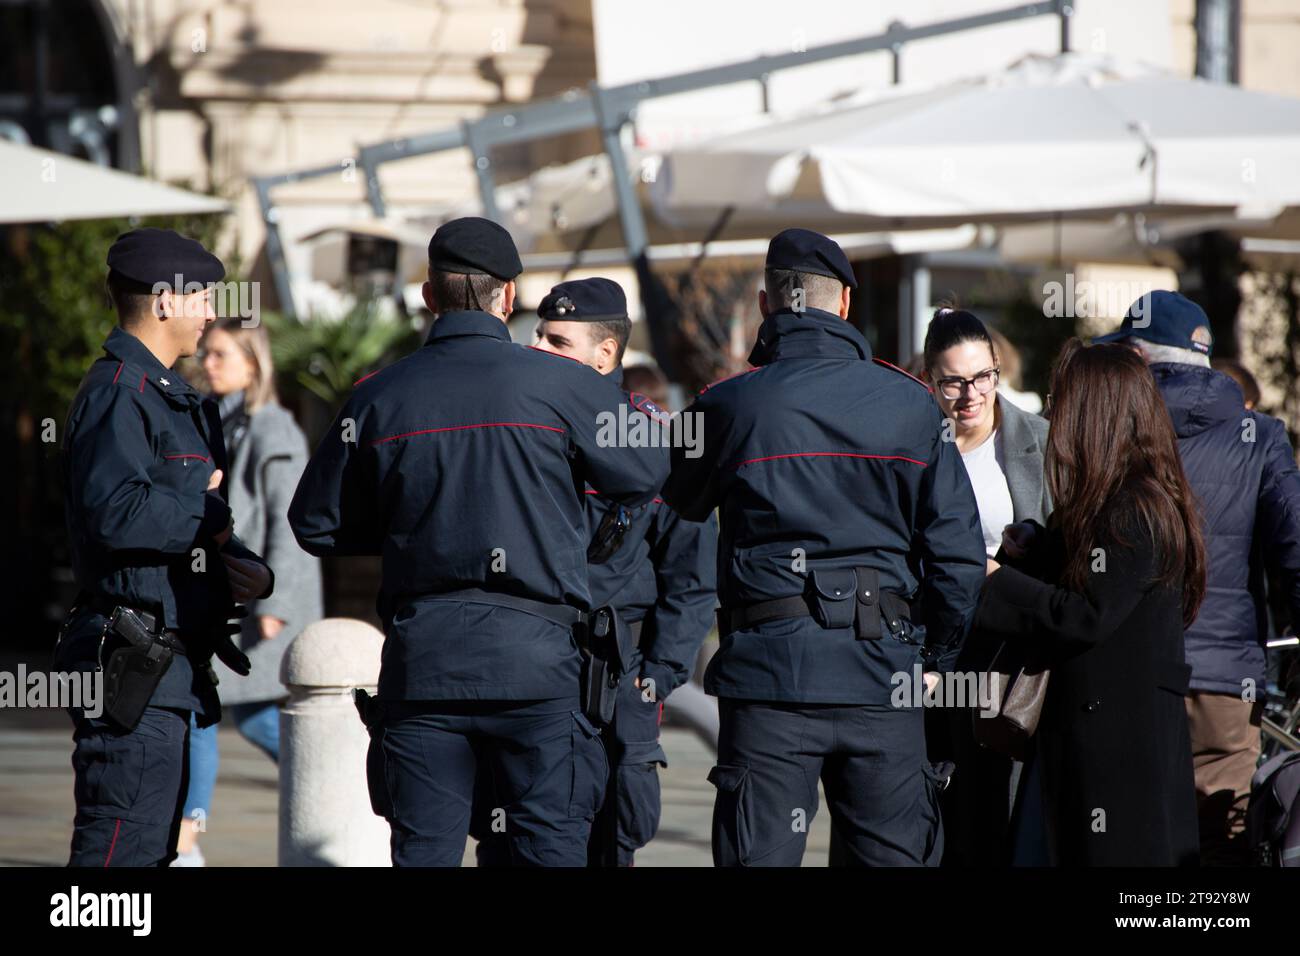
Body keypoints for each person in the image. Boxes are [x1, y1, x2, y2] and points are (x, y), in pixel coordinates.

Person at [288, 218, 670, 867]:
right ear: (509, 296)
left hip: (426, 661)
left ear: (430, 296)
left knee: (426, 853)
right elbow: (645, 471)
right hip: (537, 666)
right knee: (548, 851)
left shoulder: (378, 397)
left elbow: (316, 524)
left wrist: (415, 518)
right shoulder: (560, 384)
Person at [662, 227, 986, 867]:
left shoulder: (727, 407)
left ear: (765, 305)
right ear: (844, 307)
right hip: (882, 678)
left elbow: (671, 510)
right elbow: (958, 560)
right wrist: (934, 659)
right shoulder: (911, 406)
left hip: (769, 683)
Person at [474, 278, 718, 867]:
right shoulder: (516, 433)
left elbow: (691, 575)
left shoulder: (655, 440)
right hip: (523, 661)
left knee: (613, 832)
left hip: (615, 672)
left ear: (604, 355)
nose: (538, 349)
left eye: (557, 341)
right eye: (537, 336)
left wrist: (657, 674)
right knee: (509, 834)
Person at [57, 228, 273, 866]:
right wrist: (199, 506)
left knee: (147, 852)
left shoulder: (165, 396)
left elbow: (186, 522)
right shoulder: (119, 393)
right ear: (162, 303)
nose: (211, 311)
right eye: (202, 296)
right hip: (132, 662)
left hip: (165, 665)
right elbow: (115, 514)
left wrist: (237, 564)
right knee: (118, 853)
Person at [978, 338, 1205, 866]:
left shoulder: (1134, 507)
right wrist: (1036, 546)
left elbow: (1083, 614)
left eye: (1063, 402)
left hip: (1117, 756)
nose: (1054, 417)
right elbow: (1082, 580)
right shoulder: (1117, 497)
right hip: (1089, 744)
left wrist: (994, 581)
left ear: (1094, 415)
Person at [1095, 291, 1300, 865]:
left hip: (1125, 671)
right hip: (1225, 680)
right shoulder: (1260, 436)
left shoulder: (1110, 434)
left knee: (1134, 835)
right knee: (1221, 836)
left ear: (1137, 357)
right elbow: (1296, 550)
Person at [171, 318, 324, 866]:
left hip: (262, 605)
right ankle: (339, 786)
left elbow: (290, 523)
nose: (207, 363)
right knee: (254, 718)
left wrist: (276, 606)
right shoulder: (227, 423)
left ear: (253, 365)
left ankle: (186, 845)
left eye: (220, 355)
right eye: (206, 354)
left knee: (199, 714)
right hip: (240, 601)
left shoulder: (271, 428)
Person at [921, 306, 1051, 867]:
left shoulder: (1039, 441)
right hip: (932, 653)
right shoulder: (914, 447)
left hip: (1009, 656)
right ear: (930, 379)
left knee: (1004, 814)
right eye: (952, 381)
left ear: (997, 369)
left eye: (982, 377)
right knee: (939, 815)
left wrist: (1025, 553)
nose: (970, 395)